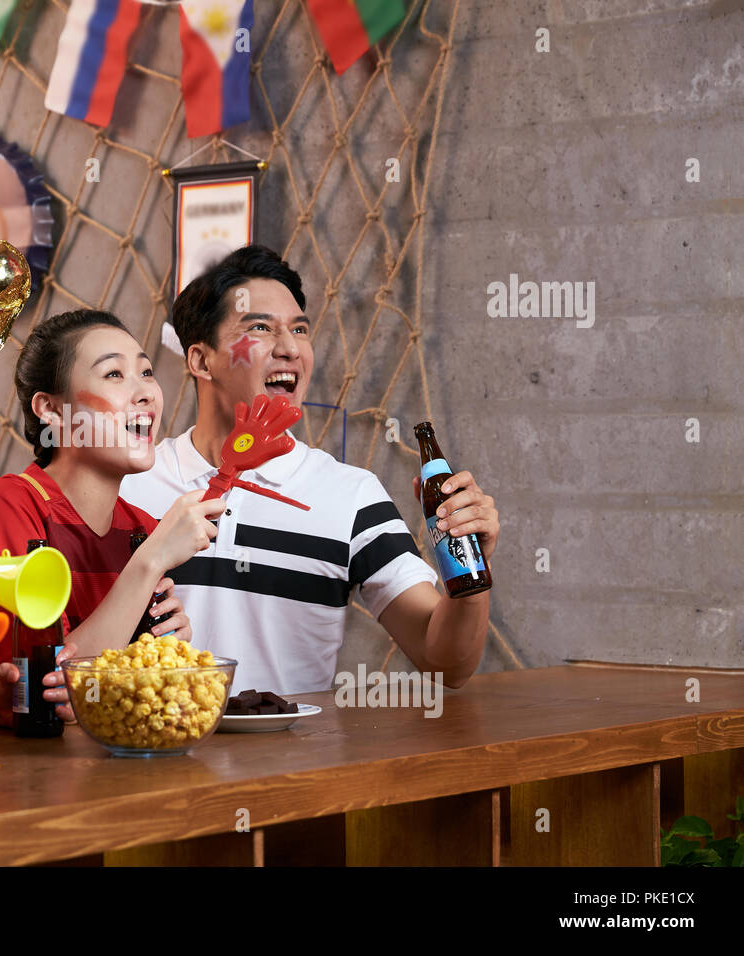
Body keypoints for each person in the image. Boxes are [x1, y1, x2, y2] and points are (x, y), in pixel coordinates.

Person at [120, 246, 501, 695]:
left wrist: (472, 569)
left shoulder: (352, 495)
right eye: (259, 327)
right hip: (146, 756)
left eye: (299, 330)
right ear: (201, 361)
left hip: (293, 762)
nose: (289, 348)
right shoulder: (127, 485)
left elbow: (445, 663)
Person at [0, 309, 226, 724]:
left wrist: (162, 650)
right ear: (51, 409)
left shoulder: (141, 527)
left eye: (147, 372)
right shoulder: (8, 506)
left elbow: (124, 698)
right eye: (114, 374)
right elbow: (45, 695)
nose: (147, 393)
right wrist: (149, 562)